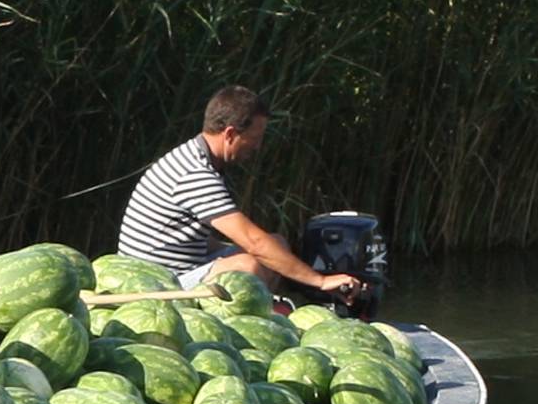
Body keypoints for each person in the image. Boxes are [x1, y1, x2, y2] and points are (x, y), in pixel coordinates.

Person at [117, 86, 364, 304]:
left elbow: (188, 237)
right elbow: (253, 242)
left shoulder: (201, 159)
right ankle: (256, 317)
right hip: (156, 281)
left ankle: (259, 308)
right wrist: (319, 281)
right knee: (249, 266)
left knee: (276, 243)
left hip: (181, 265)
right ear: (230, 134)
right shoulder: (194, 173)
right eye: (254, 139)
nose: (257, 147)